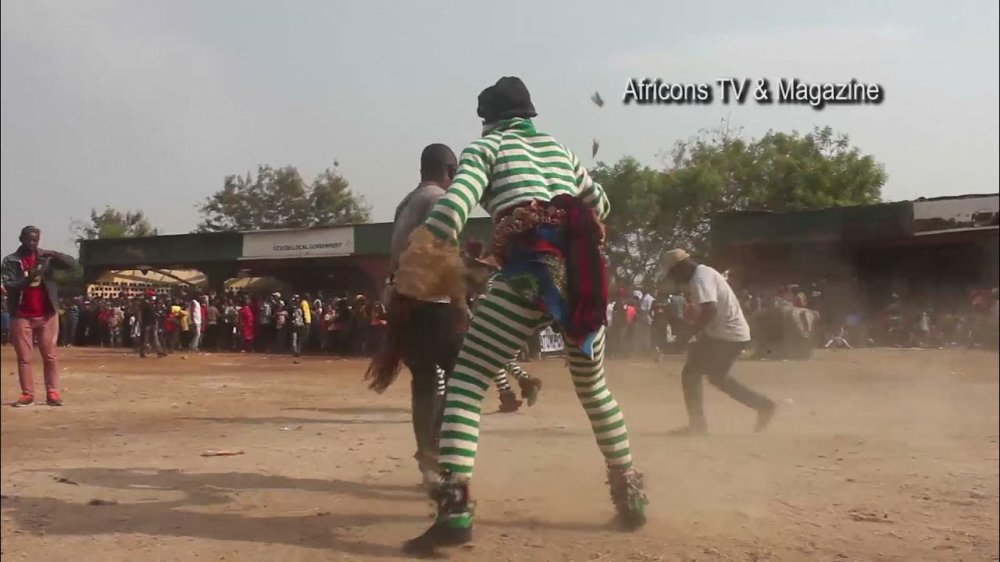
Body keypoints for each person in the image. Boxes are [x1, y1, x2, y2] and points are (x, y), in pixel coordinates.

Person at [392, 77, 647, 553]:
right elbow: (602, 205)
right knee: (594, 387)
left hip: (530, 271)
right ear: (529, 114)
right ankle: (629, 496)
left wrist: (426, 247)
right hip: (585, 274)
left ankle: (455, 511)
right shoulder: (560, 150)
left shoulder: (486, 149)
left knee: (467, 381)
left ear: (487, 118)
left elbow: (454, 206)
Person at [365, 143, 464, 487]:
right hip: (432, 303)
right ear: (450, 171)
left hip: (402, 301)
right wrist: (462, 301)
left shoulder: (406, 202)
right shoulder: (441, 200)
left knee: (423, 381)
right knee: (463, 377)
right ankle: (442, 449)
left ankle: (427, 457)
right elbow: (444, 256)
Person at [661, 249, 777, 436]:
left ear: (680, 267)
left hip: (727, 335)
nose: (675, 278)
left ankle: (698, 426)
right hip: (727, 334)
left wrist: (686, 336)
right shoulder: (704, 272)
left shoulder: (699, 279)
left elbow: (710, 310)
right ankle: (763, 405)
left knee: (692, 375)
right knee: (716, 378)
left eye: (673, 272)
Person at [1, 226, 77, 406]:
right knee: (24, 358)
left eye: (35, 240)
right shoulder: (10, 260)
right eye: (28, 239)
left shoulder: (46, 259)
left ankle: (53, 393)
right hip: (21, 314)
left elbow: (72, 265)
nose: (32, 243)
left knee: (50, 355)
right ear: (21, 239)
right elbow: (10, 285)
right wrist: (27, 279)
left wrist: (54, 254)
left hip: (47, 313)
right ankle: (27, 394)